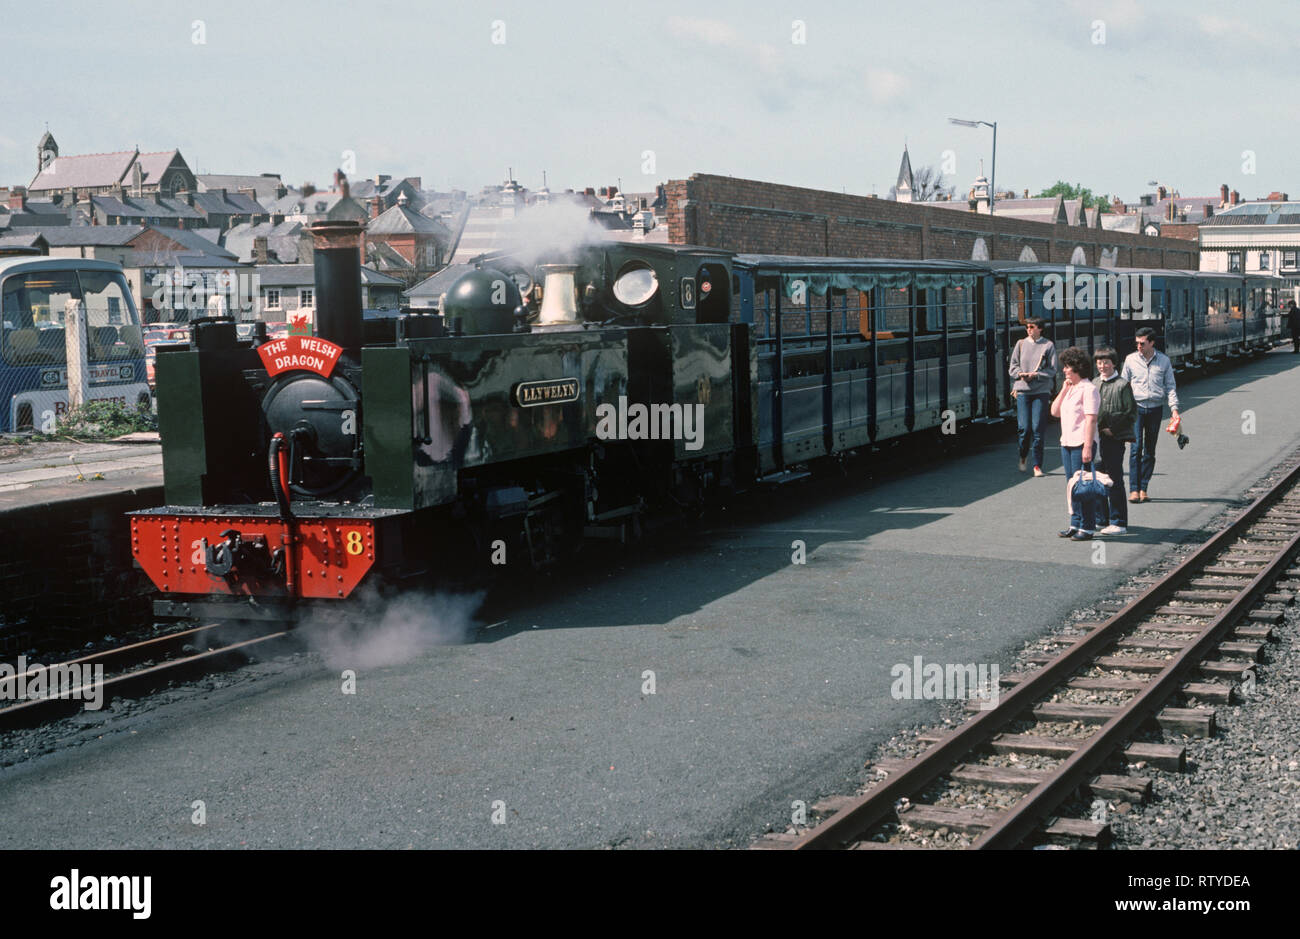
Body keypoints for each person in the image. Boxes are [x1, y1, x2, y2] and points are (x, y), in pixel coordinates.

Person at [1121, 327, 1179, 503]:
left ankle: (1143, 487)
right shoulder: (1130, 360)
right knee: (1135, 449)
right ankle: (1133, 490)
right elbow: (1123, 385)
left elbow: (1170, 386)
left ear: (1152, 343)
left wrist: (1174, 409)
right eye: (1137, 343)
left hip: (1155, 409)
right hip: (1136, 409)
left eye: (1142, 343)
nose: (1138, 346)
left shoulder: (1164, 361)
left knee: (1150, 451)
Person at [1051, 346, 1101, 540]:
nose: (1064, 370)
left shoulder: (1089, 389)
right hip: (1067, 443)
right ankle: (1075, 523)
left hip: (1082, 443)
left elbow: (1091, 419)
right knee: (1072, 486)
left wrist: (1088, 446)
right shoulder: (1070, 389)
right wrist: (1063, 390)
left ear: (1077, 367)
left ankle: (1088, 527)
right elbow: (1054, 412)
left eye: (1067, 366)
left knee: (1084, 487)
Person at [1093, 346, 1136, 535]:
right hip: (1096, 437)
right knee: (1098, 478)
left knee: (1114, 479)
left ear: (1114, 363)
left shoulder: (1122, 385)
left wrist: (1114, 429)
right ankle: (1101, 519)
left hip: (1113, 438)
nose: (1102, 366)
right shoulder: (1094, 383)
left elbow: (1130, 412)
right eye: (1099, 362)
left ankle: (1119, 521)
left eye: (1106, 363)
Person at [1009, 317, 1057, 477]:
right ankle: (1023, 456)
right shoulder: (1020, 344)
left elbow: (1052, 369)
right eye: (1027, 327)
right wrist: (1020, 374)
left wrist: (1036, 375)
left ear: (1040, 329)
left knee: (1038, 429)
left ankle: (1037, 466)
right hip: (1023, 391)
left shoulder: (1048, 345)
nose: (1028, 329)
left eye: (1031, 327)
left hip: (1041, 391)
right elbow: (1013, 366)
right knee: (1024, 428)